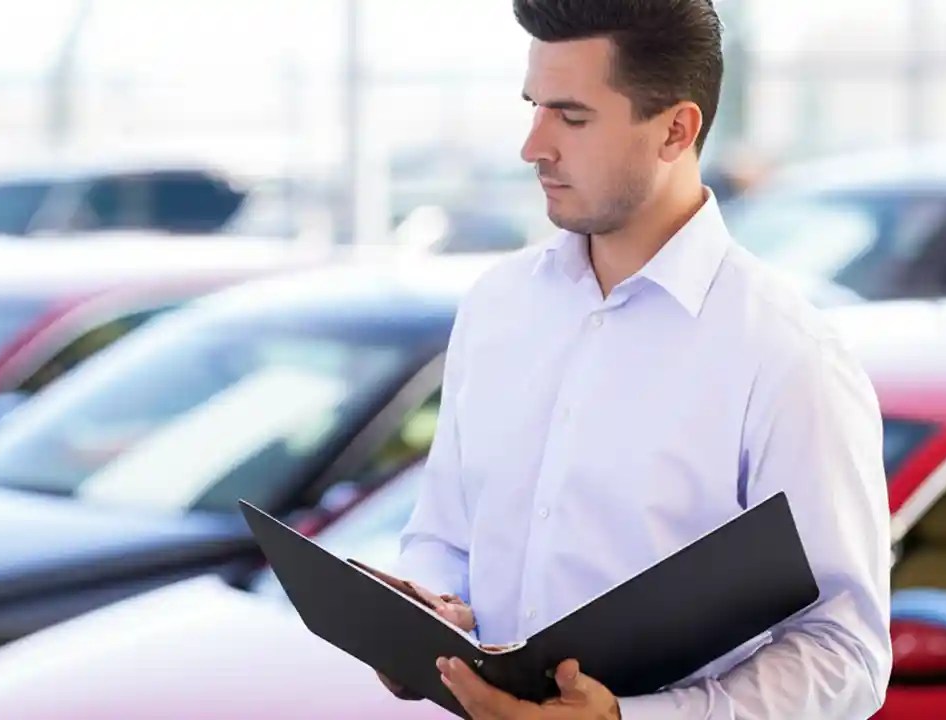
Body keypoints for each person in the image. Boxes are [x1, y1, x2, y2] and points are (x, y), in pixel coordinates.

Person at [377, 1, 892, 718]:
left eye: (572, 116)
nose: (533, 145)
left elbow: (847, 656)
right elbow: (441, 538)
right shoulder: (497, 308)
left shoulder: (787, 355)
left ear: (676, 129)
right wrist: (426, 619)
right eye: (533, 106)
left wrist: (632, 719)